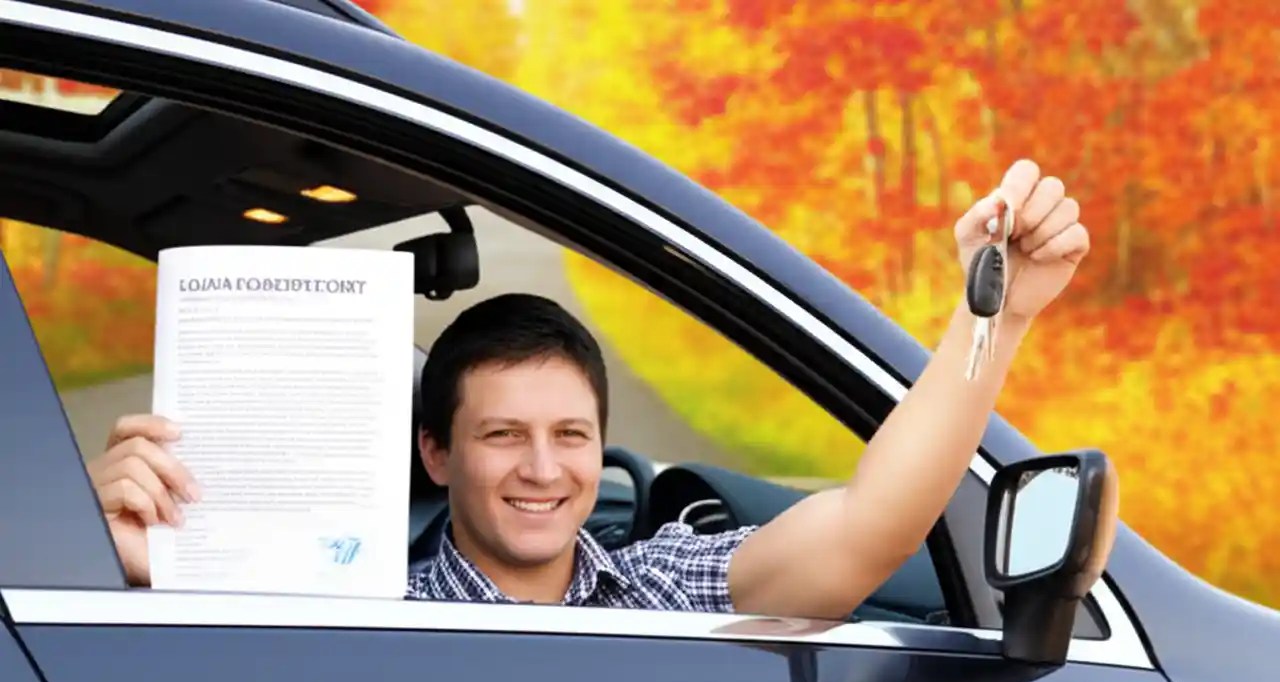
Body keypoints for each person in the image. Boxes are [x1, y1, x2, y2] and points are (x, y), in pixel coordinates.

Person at [87, 159, 1090, 619]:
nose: (542, 469)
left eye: (571, 434)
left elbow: (873, 525)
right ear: (433, 452)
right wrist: (107, 553)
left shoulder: (668, 585)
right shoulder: (356, 598)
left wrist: (993, 318)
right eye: (499, 436)